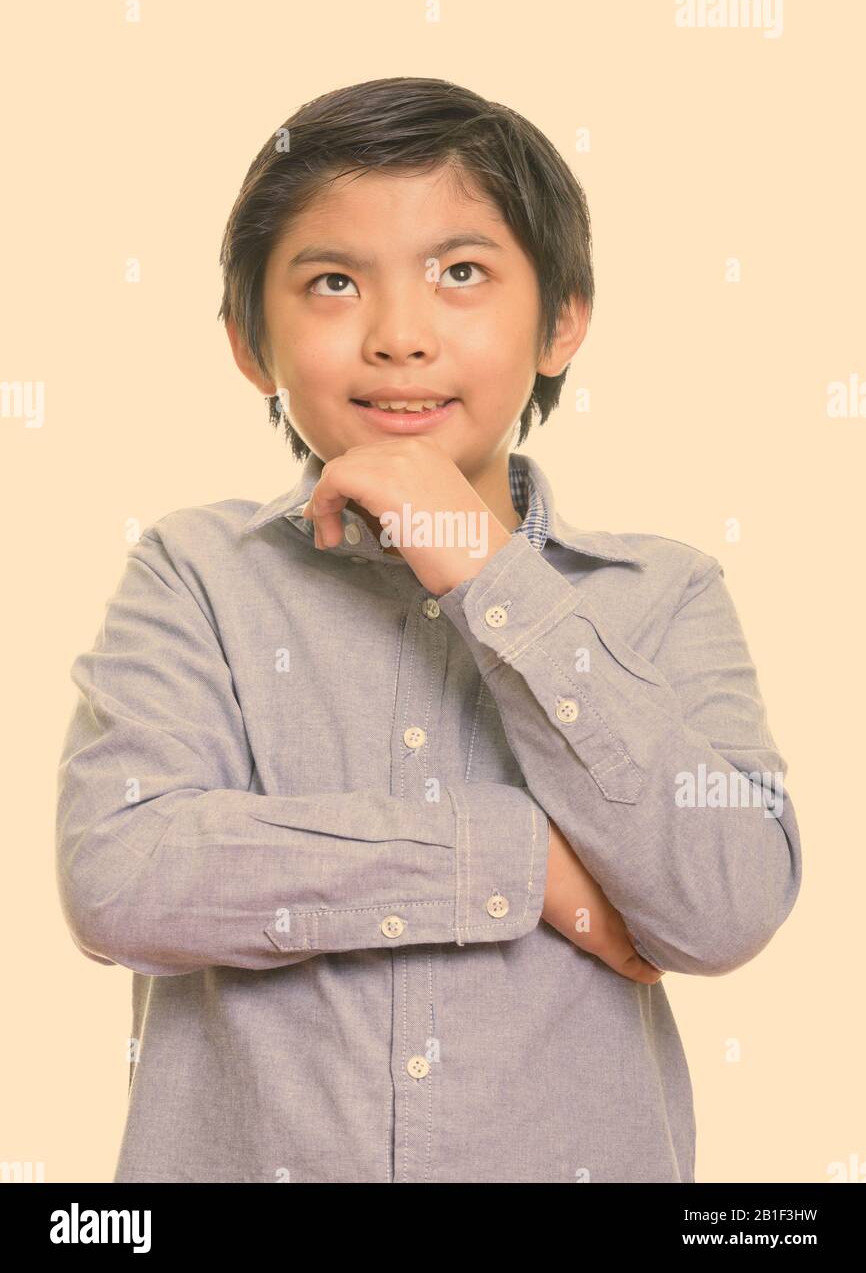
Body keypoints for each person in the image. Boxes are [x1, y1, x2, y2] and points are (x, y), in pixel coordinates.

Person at [56, 76, 802, 1183]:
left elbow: (730, 903)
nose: (400, 336)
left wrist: (487, 569)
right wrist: (518, 861)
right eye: (333, 281)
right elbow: (124, 872)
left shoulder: (665, 594)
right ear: (247, 341)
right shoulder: (196, 574)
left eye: (462, 273)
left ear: (561, 321)